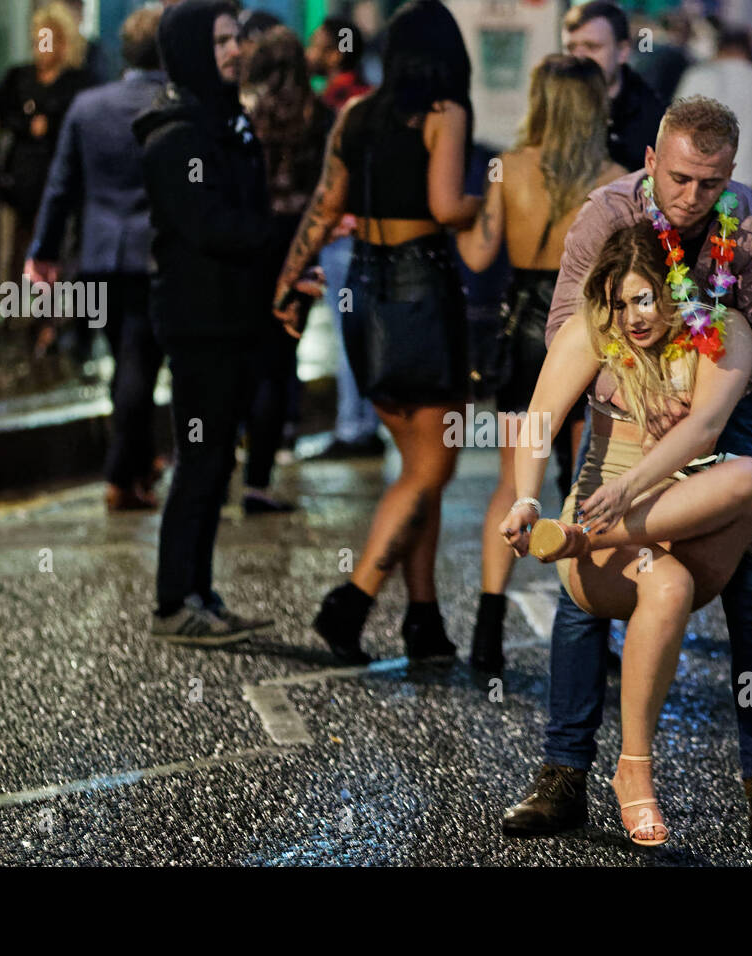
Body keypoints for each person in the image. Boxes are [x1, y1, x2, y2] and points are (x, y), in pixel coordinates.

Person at [501, 97, 752, 852]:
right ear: (651, 160)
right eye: (678, 178)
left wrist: (704, 392)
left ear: (729, 175)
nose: (691, 197)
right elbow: (566, 333)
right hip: (623, 402)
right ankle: (564, 774)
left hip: (722, 398)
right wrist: (642, 394)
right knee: (589, 599)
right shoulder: (605, 213)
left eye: (709, 184)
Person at [500, 221, 752, 845]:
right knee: (665, 585)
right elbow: (539, 420)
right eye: (619, 303)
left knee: (750, 476)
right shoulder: (592, 333)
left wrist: (624, 494)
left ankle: (588, 535)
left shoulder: (721, 333)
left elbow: (702, 434)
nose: (632, 318)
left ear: (675, 290)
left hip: (665, 518)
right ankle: (633, 774)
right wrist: (525, 499)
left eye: (644, 299)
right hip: (606, 525)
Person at [272, 0, 480, 665]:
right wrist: (489, 200)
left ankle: (424, 620)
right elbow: (448, 206)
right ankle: (353, 600)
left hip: (362, 288)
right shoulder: (446, 115)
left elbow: (325, 202)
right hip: (421, 285)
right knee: (432, 467)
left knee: (416, 466)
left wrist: (287, 280)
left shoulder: (354, 114)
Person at [455, 54, 626, 674]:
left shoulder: (509, 168)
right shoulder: (614, 181)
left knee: (511, 483)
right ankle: (592, 631)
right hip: (588, 330)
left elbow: (478, 256)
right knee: (589, 484)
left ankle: (487, 628)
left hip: (522, 330)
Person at [135, 0, 278, 644]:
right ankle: (173, 601)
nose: (233, 49)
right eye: (219, 40)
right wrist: (281, 235)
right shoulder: (178, 136)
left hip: (232, 317)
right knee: (198, 460)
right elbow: (211, 225)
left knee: (218, 460)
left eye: (235, 38)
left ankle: (200, 590)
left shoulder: (223, 121)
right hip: (200, 324)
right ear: (192, 48)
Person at [25, 4, 167, 513]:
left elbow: (61, 187)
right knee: (138, 367)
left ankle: (136, 468)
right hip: (153, 257)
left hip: (99, 257)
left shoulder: (88, 106)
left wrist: (42, 254)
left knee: (123, 363)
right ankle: (118, 476)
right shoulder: (173, 104)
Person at [238, 25, 335, 512]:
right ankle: (258, 477)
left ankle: (219, 465)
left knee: (240, 359)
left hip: (245, 244)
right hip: (297, 246)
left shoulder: (240, 113)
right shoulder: (319, 116)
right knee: (279, 364)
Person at [305, 14, 383, 461]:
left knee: (346, 331)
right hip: (368, 231)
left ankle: (353, 426)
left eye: (317, 44)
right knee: (361, 331)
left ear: (336, 52)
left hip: (342, 233)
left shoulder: (335, 102)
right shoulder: (369, 98)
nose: (309, 52)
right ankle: (363, 423)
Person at [0, 1, 92, 357]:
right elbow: (7, 118)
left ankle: (52, 322)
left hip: (59, 182)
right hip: (23, 182)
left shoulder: (78, 84)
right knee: (21, 250)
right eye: (38, 39)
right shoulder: (18, 78)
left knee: (55, 251)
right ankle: (22, 316)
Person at [675, 24, 752, 202]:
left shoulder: (696, 77)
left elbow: (678, 128)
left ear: (718, 47)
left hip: (702, 180)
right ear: (750, 48)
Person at [562, 1, 665, 172]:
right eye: (571, 48)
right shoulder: (551, 109)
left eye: (591, 46)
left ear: (623, 51)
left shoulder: (655, 120)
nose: (579, 57)